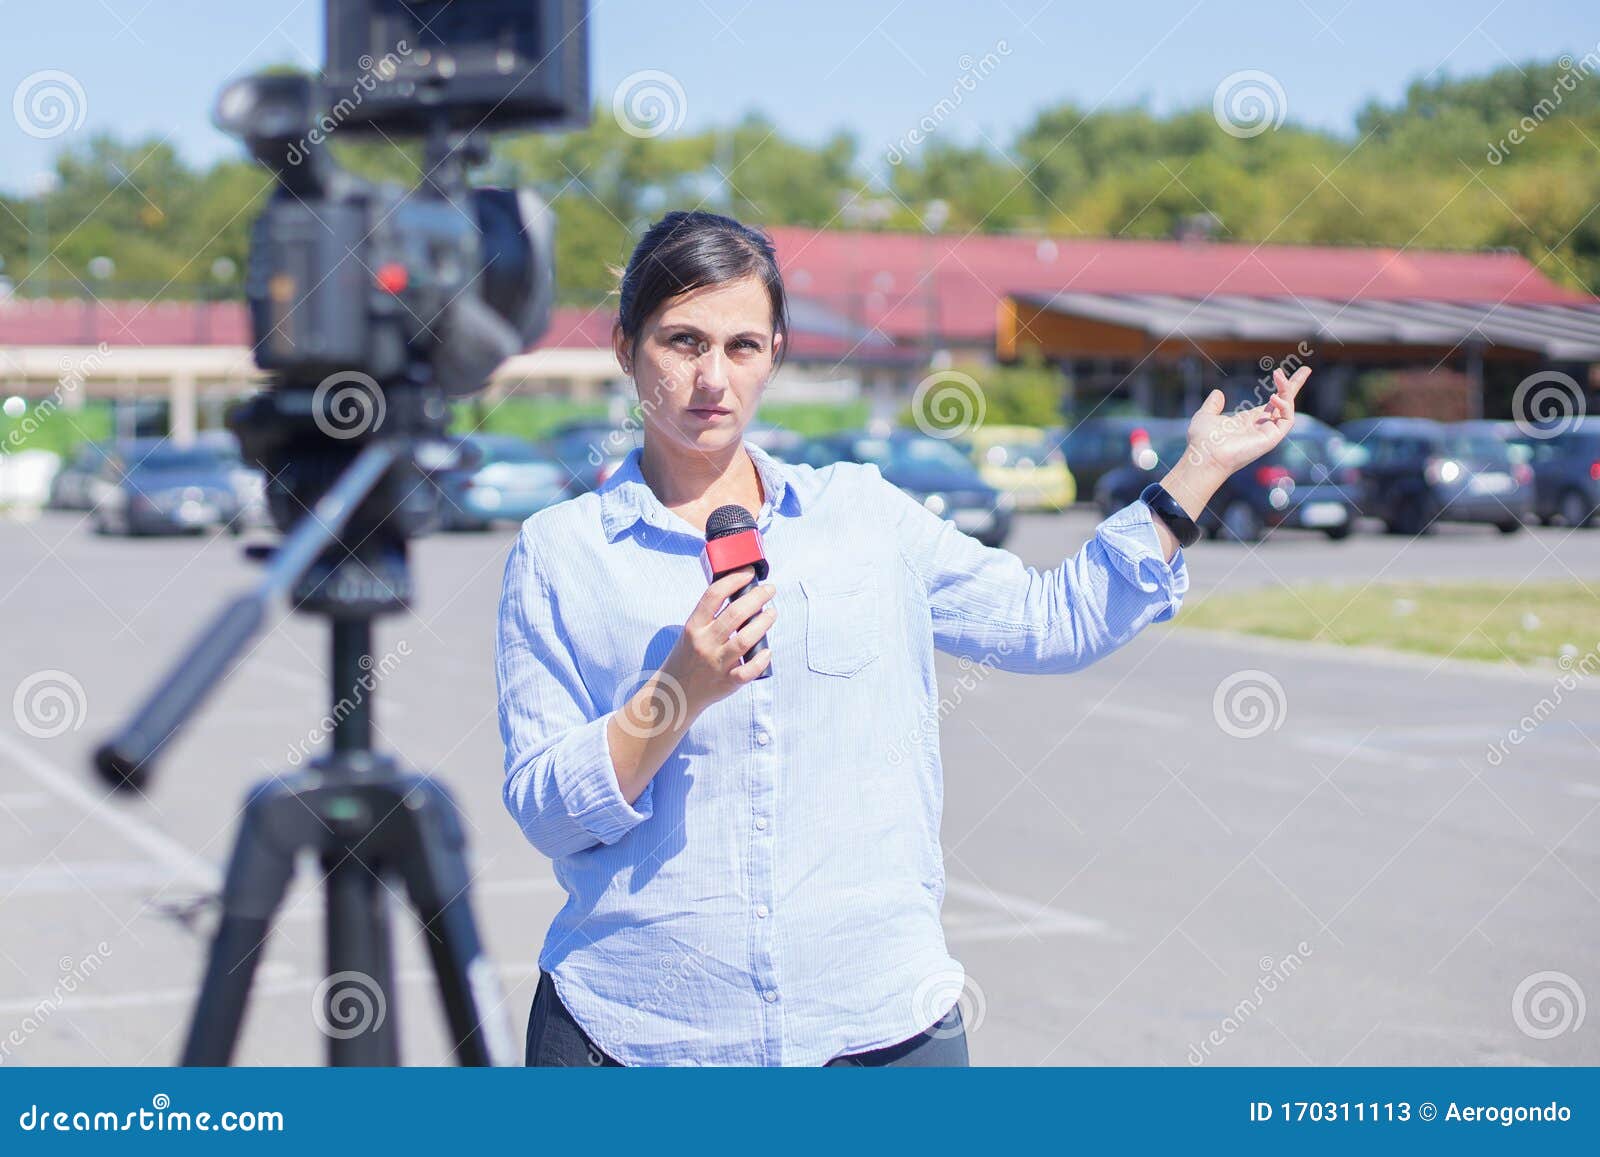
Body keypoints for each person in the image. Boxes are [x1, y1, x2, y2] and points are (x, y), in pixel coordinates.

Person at [496, 209, 1310, 1067]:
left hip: (878, 1029)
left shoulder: (862, 514)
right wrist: (676, 695)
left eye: (741, 346)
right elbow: (547, 812)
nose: (712, 378)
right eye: (681, 341)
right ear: (626, 348)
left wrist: (1198, 473)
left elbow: (1051, 619)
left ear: (776, 350)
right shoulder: (560, 552)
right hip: (638, 1037)